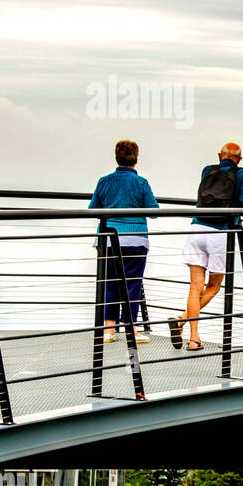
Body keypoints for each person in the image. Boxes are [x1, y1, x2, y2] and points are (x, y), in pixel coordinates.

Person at [171, 142, 243, 351]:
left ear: (220, 156)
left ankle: (193, 335)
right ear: (240, 159)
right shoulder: (242, 175)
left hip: (197, 229)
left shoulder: (207, 171)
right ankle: (183, 323)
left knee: (195, 287)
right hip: (220, 233)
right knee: (214, 286)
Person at [89, 140, 158, 345]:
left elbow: (94, 208)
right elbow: (153, 211)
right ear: (136, 159)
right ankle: (131, 329)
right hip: (135, 239)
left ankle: (109, 329)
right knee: (132, 284)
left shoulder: (104, 181)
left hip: (108, 239)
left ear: (116, 158)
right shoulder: (141, 183)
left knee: (109, 282)